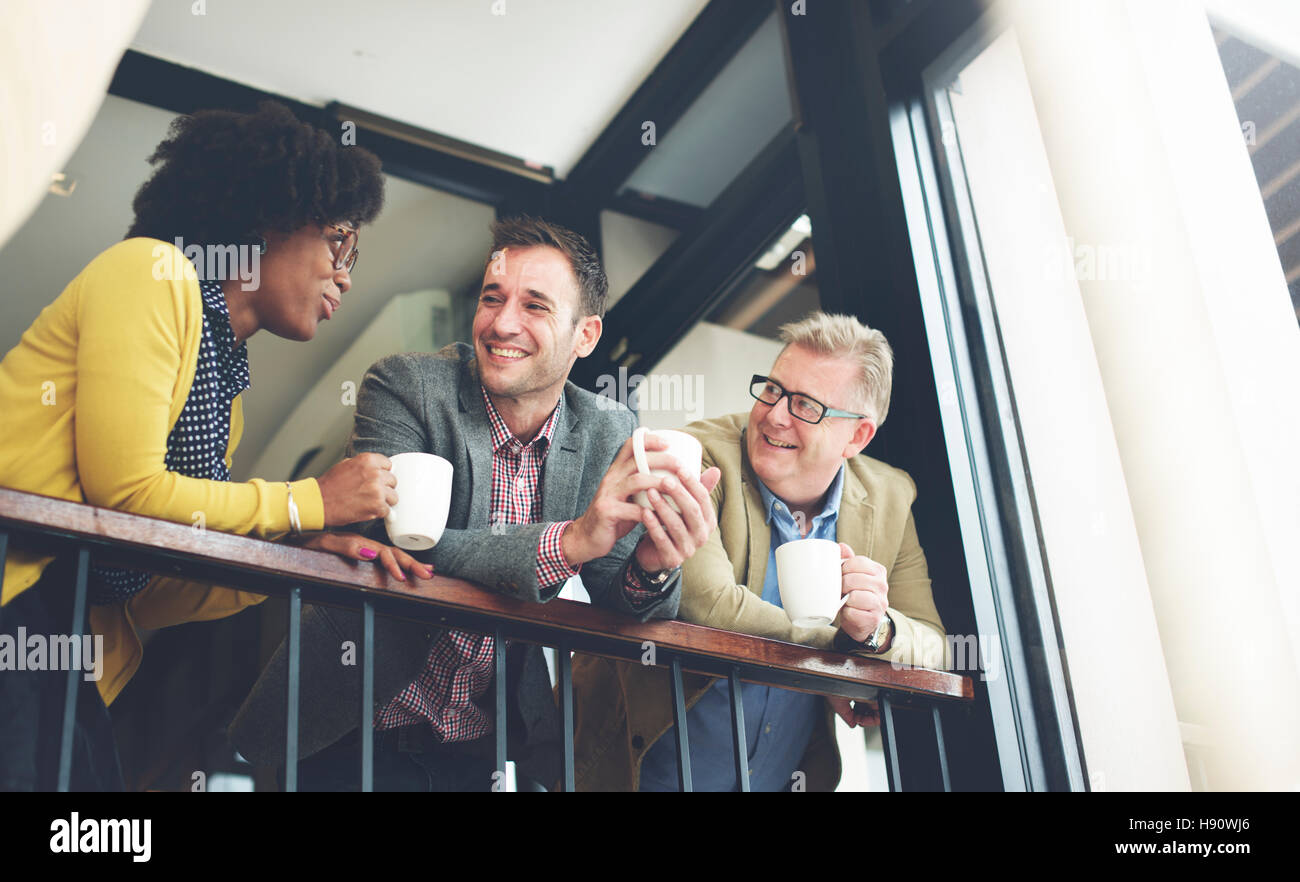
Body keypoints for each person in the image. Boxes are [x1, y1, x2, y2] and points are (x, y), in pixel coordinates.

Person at [0, 101, 428, 791]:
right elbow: (127, 493)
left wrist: (284, 556)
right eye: (340, 241)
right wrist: (307, 501)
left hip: (63, 642)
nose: (345, 274)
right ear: (272, 215)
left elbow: (139, 584)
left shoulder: (222, 379)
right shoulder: (149, 274)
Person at [229, 215, 722, 791]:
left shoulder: (608, 427)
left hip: (483, 747)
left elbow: (629, 599)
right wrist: (569, 543)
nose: (502, 322)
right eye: (493, 298)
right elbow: (392, 544)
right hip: (352, 723)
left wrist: (655, 567)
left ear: (585, 336)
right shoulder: (405, 385)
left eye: (535, 306)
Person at [571, 311, 949, 791]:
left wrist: (878, 630)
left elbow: (932, 643)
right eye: (772, 389)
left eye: (806, 406)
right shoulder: (698, 453)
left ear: (857, 436)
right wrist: (846, 652)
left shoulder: (892, 496)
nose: (774, 415)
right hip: (637, 769)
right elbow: (709, 606)